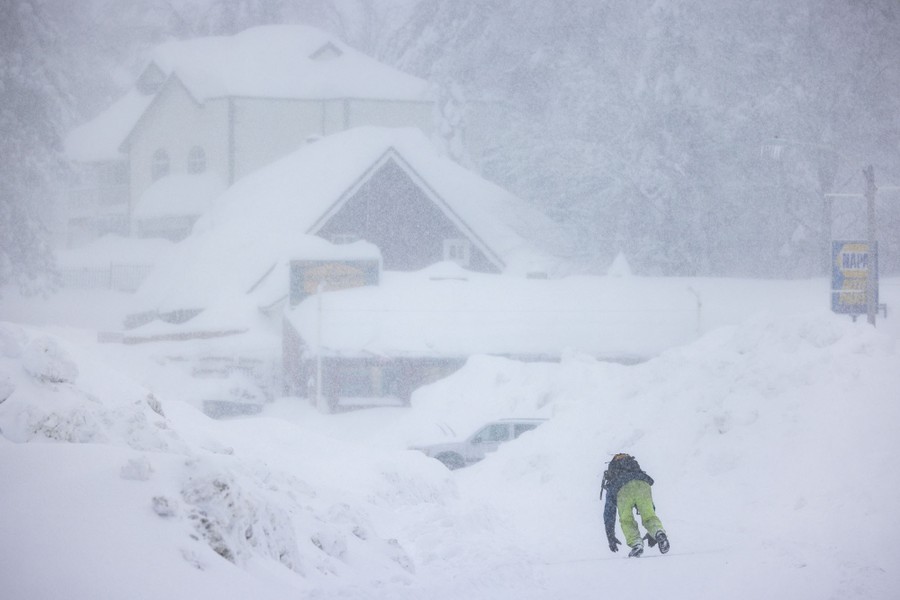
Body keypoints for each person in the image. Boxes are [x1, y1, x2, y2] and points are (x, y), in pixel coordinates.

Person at [601, 453, 670, 558]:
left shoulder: (613, 480)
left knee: (626, 520)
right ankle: (659, 532)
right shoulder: (636, 472)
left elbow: (609, 512)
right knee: (649, 515)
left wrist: (610, 535)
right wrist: (653, 532)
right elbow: (651, 508)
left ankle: (636, 544)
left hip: (623, 489)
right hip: (643, 485)